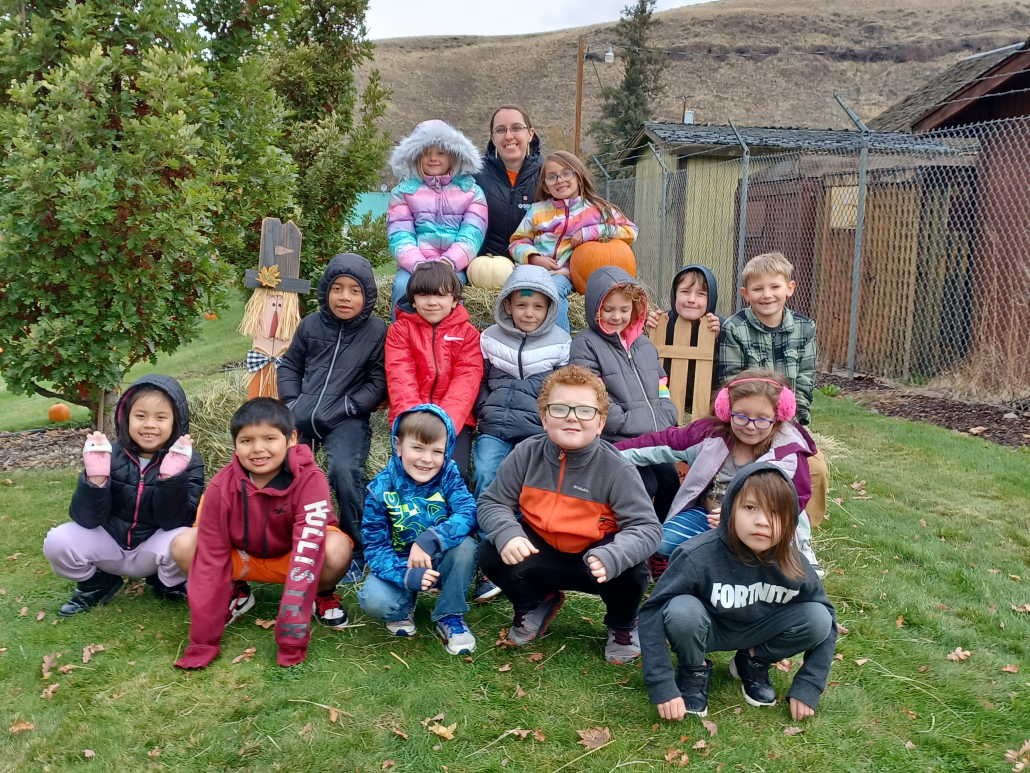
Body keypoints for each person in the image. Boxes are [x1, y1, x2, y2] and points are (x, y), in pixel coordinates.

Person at [478, 365, 661, 664]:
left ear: (600, 423)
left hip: (596, 561)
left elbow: (647, 528)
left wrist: (615, 554)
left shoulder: (617, 469)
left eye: (584, 411)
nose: (572, 417)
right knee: (490, 552)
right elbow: (492, 502)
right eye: (560, 408)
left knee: (633, 570)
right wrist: (507, 533)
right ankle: (535, 603)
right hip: (542, 553)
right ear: (544, 417)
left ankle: (623, 625)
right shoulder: (526, 454)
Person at [639, 465, 837, 722]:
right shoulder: (696, 555)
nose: (762, 521)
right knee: (681, 609)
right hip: (706, 630)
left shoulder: (795, 562)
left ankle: (752, 661)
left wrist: (809, 684)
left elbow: (828, 619)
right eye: (750, 508)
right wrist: (661, 683)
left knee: (818, 617)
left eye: (775, 512)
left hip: (758, 630)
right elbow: (653, 611)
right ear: (730, 509)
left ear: (790, 520)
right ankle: (693, 670)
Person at [171, 398, 353, 669]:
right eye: (246, 441)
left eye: (269, 438)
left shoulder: (310, 479)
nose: (258, 449)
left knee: (336, 547)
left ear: (291, 438)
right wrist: (203, 641)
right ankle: (236, 593)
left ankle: (322, 594)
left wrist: (291, 637)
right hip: (245, 558)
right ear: (235, 444)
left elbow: (307, 549)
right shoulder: (221, 485)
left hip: (295, 557)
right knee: (184, 544)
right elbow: (210, 555)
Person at [615, 370, 821, 575]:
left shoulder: (789, 453)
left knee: (774, 568)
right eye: (741, 416)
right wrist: (607, 454)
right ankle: (705, 565)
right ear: (725, 409)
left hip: (764, 522)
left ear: (779, 415)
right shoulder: (709, 433)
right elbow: (661, 443)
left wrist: (736, 518)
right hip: (709, 514)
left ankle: (791, 555)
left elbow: (796, 501)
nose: (750, 426)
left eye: (762, 419)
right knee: (666, 542)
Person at [43, 375, 203, 616]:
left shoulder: (188, 461)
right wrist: (95, 480)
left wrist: (170, 479)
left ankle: (167, 582)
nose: (150, 424)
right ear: (125, 417)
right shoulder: (108, 454)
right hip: (110, 546)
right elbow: (86, 519)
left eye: (161, 417)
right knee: (58, 540)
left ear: (176, 422)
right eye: (140, 416)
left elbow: (176, 521)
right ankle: (96, 584)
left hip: (152, 549)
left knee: (192, 540)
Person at [278, 253, 387, 584]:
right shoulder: (311, 324)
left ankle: (357, 548)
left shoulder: (377, 330)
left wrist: (350, 408)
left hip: (347, 417)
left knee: (343, 469)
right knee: (285, 467)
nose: (345, 297)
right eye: (337, 288)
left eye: (354, 290)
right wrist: (292, 401)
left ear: (367, 296)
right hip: (303, 413)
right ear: (325, 291)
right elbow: (290, 365)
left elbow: (378, 381)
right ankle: (286, 543)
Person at [717, 252, 829, 530]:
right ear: (746, 293)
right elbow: (731, 382)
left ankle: (801, 531)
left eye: (775, 287)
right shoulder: (735, 328)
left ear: (790, 288)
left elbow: (804, 380)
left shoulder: (804, 328)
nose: (767, 295)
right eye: (758, 288)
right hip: (750, 420)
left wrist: (793, 420)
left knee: (815, 469)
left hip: (786, 420)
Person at [570, 267, 681, 543]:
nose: (617, 316)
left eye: (624, 309)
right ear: (595, 307)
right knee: (646, 484)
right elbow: (592, 395)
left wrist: (667, 413)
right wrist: (625, 422)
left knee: (670, 481)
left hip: (652, 437)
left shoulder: (644, 344)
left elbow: (661, 382)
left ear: (636, 309)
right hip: (616, 438)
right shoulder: (585, 345)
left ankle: (657, 541)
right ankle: (633, 543)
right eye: (608, 309)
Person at [358, 405, 480, 655]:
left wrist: (430, 539)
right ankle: (403, 606)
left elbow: (469, 512)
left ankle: (450, 614)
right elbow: (374, 546)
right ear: (398, 445)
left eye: (437, 451)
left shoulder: (449, 477)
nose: (427, 459)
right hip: (400, 563)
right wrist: (404, 575)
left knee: (467, 547)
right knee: (373, 599)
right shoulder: (380, 488)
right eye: (418, 448)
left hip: (440, 558)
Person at [509, 150, 638, 333]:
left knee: (553, 292)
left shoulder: (596, 209)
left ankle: (560, 344)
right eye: (552, 177)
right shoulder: (537, 211)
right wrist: (533, 258)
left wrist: (593, 231)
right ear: (546, 186)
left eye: (566, 173)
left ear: (578, 176)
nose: (560, 180)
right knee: (515, 294)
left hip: (564, 272)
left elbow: (631, 231)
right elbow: (516, 241)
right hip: (533, 270)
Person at [473, 264, 571, 500]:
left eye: (538, 307)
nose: (529, 313)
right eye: (521, 305)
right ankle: (487, 531)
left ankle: (520, 533)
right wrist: (483, 409)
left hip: (534, 431)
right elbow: (480, 380)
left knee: (530, 481)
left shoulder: (560, 343)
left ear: (550, 309)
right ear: (507, 305)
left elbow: (562, 391)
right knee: (486, 472)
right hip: (495, 427)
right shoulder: (489, 338)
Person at [386, 261, 483, 485]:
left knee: (455, 474)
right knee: (405, 473)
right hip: (410, 416)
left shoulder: (468, 334)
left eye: (440, 296)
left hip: (453, 420)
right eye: (423, 295)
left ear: (454, 300)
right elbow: (400, 377)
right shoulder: (399, 331)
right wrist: (413, 420)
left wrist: (445, 422)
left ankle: (453, 519)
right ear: (413, 299)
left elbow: (466, 381)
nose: (432, 302)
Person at [387, 119, 488, 314]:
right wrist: (420, 266)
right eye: (426, 153)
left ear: (452, 156)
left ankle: (451, 341)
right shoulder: (403, 193)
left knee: (451, 290)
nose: (433, 158)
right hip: (414, 265)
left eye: (440, 153)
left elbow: (472, 234)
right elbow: (400, 236)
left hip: (452, 265)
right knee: (401, 287)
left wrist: (448, 262)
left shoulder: (472, 192)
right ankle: (400, 341)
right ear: (415, 156)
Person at [474, 104, 544, 258]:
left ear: (530, 134)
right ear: (492, 138)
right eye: (500, 130)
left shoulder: (548, 176)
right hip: (484, 268)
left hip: (534, 266)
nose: (508, 136)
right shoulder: (474, 174)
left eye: (516, 128)